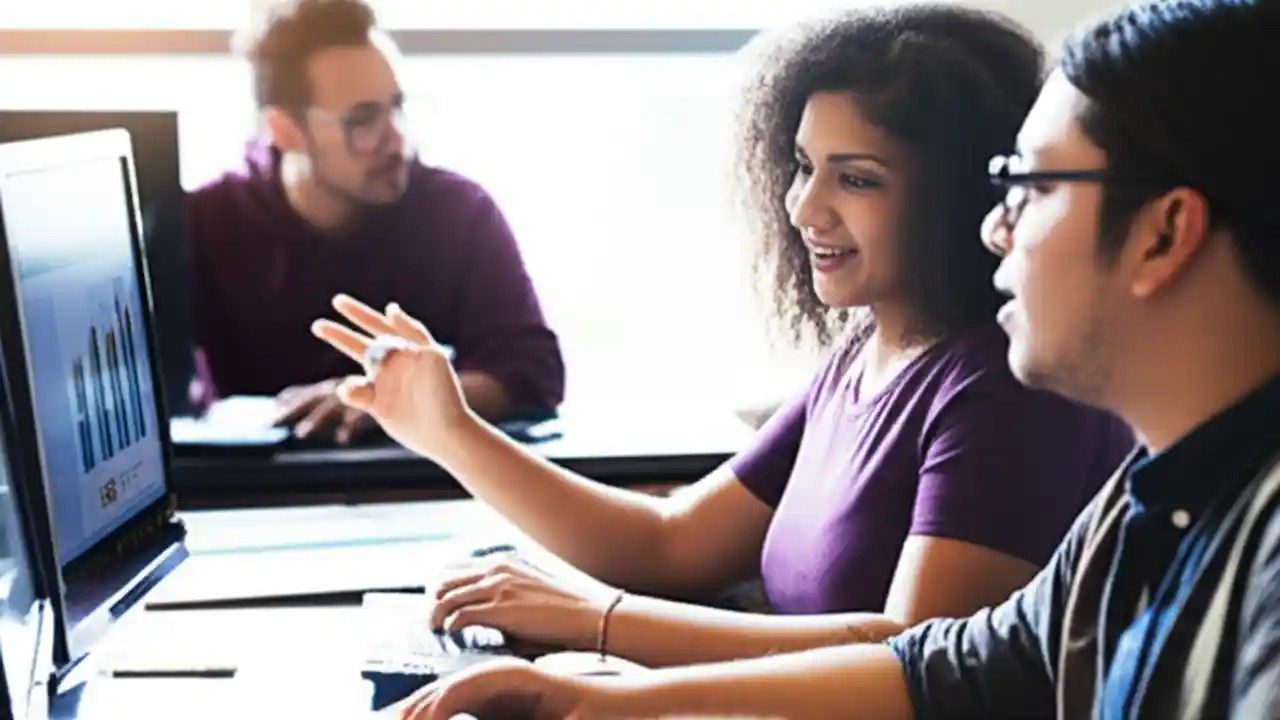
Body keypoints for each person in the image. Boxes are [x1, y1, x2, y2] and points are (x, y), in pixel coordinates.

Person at [369, 0, 1280, 717]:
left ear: (1164, 233)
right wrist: (599, 700)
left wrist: (606, 635)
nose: (997, 229)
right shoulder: (1142, 506)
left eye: (1033, 188)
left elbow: (918, 648)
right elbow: (945, 668)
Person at [186, 0, 564, 444]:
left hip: (417, 475)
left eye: (397, 108)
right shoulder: (206, 222)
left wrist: (395, 401)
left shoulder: (459, 213)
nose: (397, 141)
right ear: (285, 130)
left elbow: (531, 371)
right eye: (362, 121)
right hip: (252, 481)